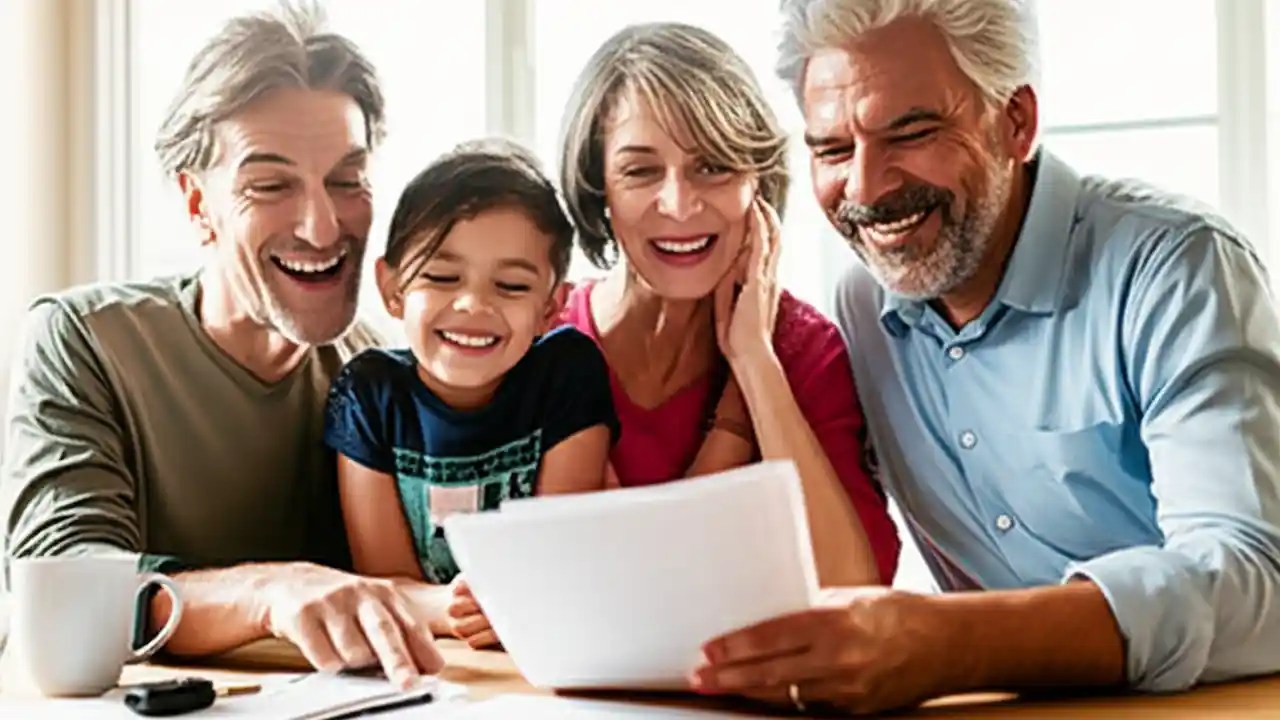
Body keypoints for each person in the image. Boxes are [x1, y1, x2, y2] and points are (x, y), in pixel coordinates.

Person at [690, 0, 1280, 714]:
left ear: (1016, 122)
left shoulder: (1174, 267)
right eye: (832, 150)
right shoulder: (863, 307)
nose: (868, 189)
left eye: (911, 133)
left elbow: (1257, 582)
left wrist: (951, 643)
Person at [1, 5, 445, 689]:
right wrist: (270, 594)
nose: (322, 226)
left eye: (347, 180)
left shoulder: (378, 375)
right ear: (196, 204)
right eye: (270, 186)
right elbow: (65, 587)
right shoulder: (86, 342)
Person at [555, 22, 901, 589]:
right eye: (641, 171)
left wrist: (755, 365)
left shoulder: (804, 349)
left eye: (712, 166)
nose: (680, 204)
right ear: (600, 190)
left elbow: (853, 590)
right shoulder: (546, 338)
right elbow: (604, 585)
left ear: (757, 184)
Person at [324, 139, 618, 651]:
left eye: (511, 286)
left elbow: (557, 556)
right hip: (430, 663)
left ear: (552, 308)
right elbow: (384, 583)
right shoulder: (367, 395)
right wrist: (450, 609)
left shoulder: (567, 372)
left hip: (546, 656)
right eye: (441, 277)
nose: (473, 304)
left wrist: (520, 603)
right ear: (393, 289)